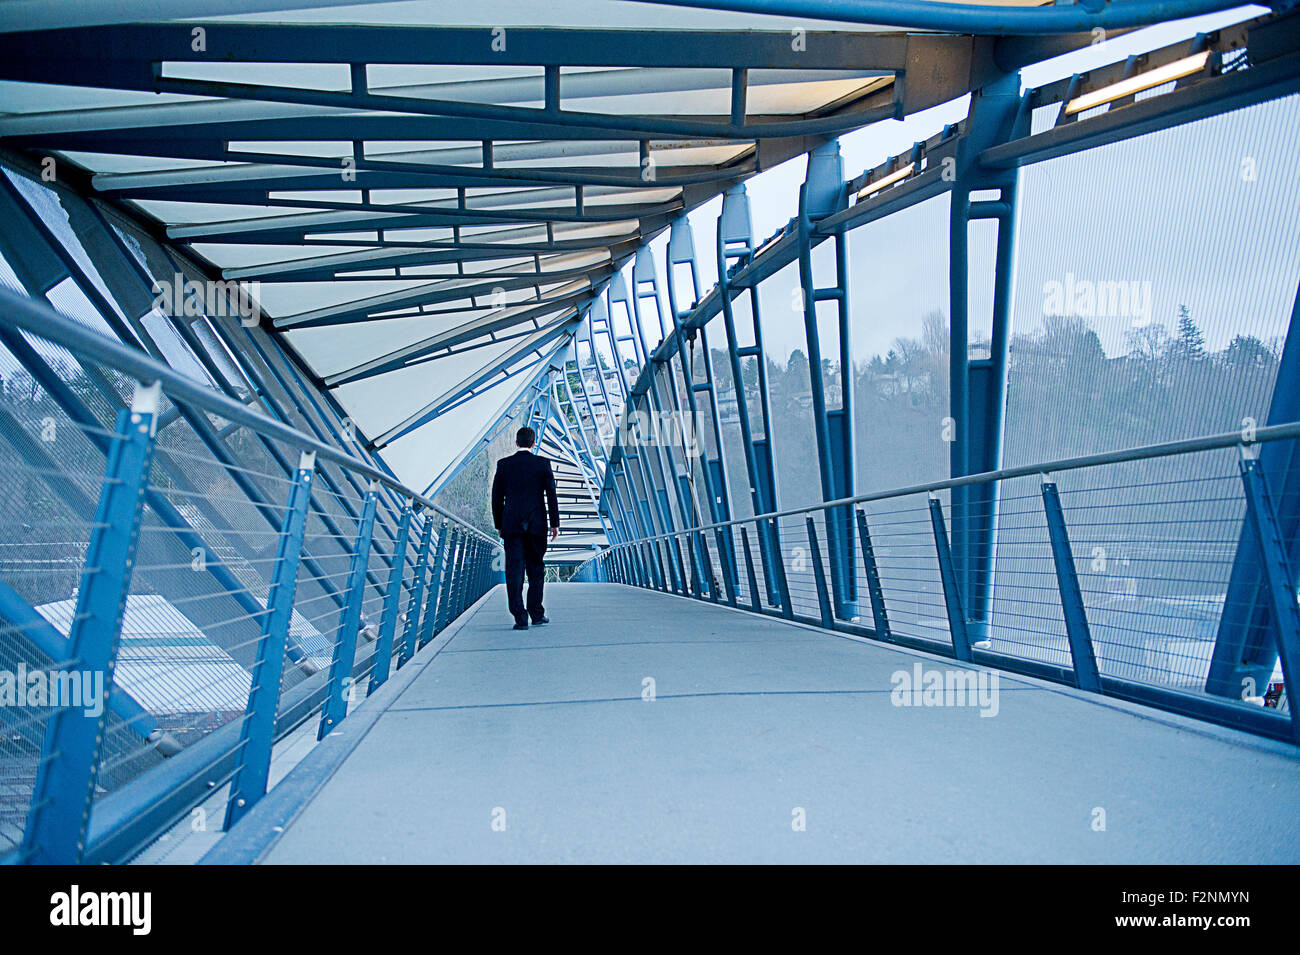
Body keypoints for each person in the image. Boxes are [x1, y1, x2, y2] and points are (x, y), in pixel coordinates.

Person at [491, 426, 560, 630]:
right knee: (536, 569)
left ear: (516, 442)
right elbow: (551, 496)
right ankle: (537, 614)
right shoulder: (542, 464)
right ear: (533, 442)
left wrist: (499, 525)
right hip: (537, 525)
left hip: (511, 526)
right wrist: (555, 523)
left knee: (514, 570)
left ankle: (520, 618)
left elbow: (496, 498)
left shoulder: (504, 465)